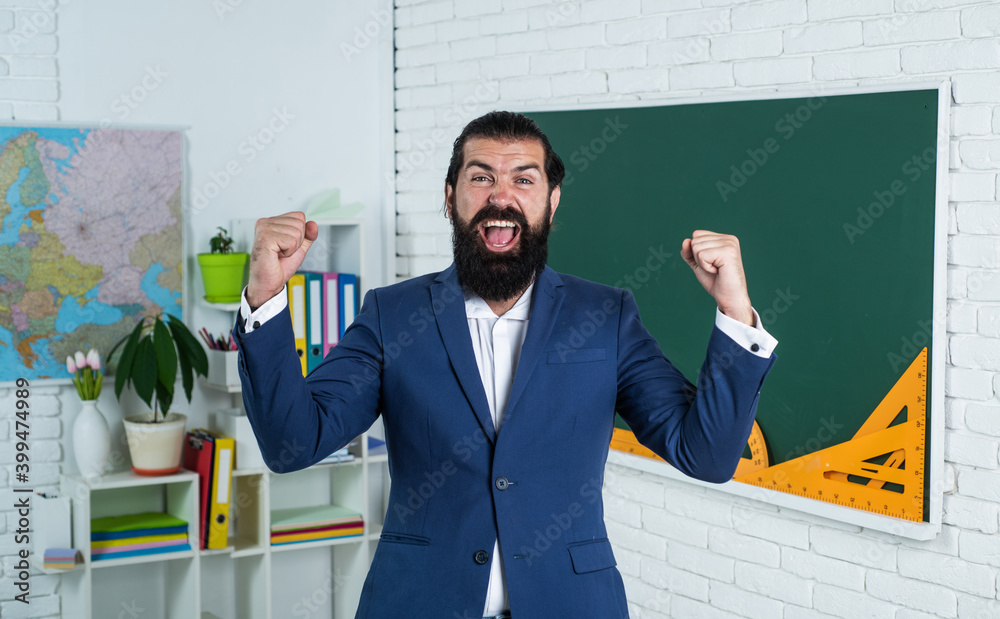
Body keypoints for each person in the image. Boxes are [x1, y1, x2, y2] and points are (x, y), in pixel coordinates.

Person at [233, 111, 777, 618]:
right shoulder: (392, 316)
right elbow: (292, 443)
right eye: (480, 178)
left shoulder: (605, 317)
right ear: (450, 198)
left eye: (523, 179)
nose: (501, 197)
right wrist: (265, 297)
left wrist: (733, 310)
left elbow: (705, 456)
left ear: (551, 201)